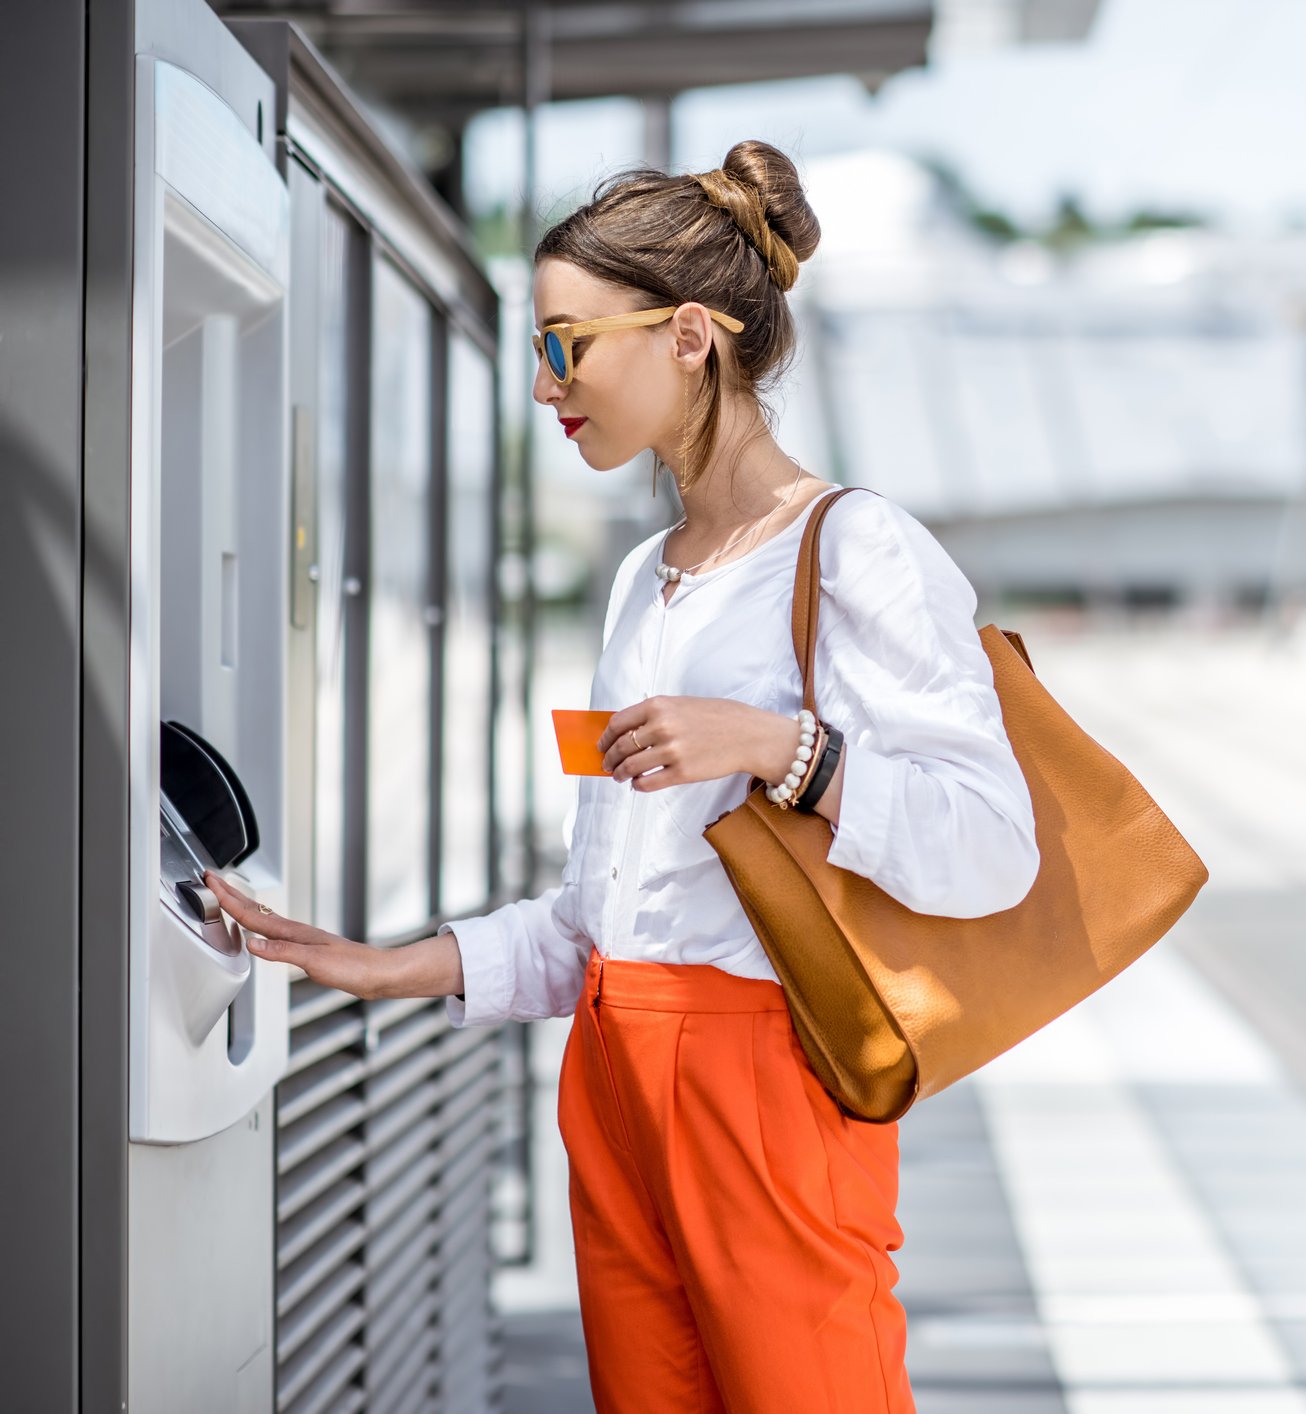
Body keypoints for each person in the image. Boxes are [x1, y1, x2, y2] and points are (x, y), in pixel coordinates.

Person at [205, 140, 1040, 1413]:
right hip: (609, 1068)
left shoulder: (856, 548)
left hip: (763, 1085)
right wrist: (386, 964)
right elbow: (601, 921)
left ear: (689, 336)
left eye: (567, 345)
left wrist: (783, 749)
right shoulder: (641, 581)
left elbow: (994, 846)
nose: (548, 387)